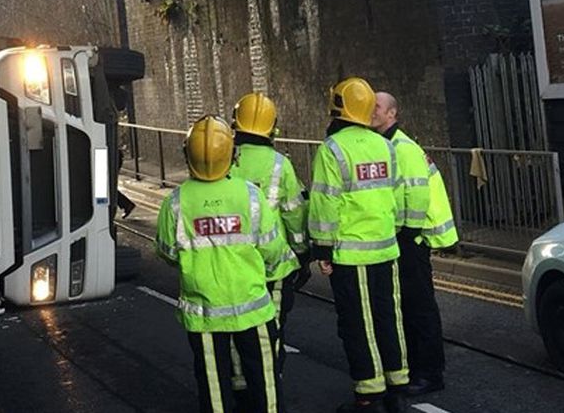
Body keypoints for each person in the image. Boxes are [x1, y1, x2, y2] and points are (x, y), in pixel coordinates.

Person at [157, 116, 290, 413]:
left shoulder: (176, 203)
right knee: (264, 380)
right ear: (232, 155)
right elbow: (272, 248)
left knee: (214, 384)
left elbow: (167, 252)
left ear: (187, 153)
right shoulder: (251, 196)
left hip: (204, 314)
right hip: (253, 306)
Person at [309, 77, 408, 412]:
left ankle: (368, 393)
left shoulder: (333, 149)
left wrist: (322, 249)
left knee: (358, 323)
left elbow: (326, 203)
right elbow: (394, 194)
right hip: (386, 247)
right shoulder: (384, 144)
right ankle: (397, 384)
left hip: (351, 254)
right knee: (389, 318)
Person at [373, 92, 457, 397]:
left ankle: (431, 373)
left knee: (419, 307)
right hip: (403, 237)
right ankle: (411, 368)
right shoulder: (385, 145)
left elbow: (417, 195)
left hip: (412, 239)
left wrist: (408, 234)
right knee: (405, 306)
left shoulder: (403, 148)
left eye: (377, 107)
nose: (371, 111)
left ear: (392, 113)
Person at [227, 92, 308, 375]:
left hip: (233, 260)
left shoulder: (224, 160)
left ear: (235, 122)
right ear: (272, 127)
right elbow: (294, 213)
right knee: (271, 326)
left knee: (236, 326)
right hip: (272, 264)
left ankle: (239, 383)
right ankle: (270, 380)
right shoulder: (278, 164)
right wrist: (302, 253)